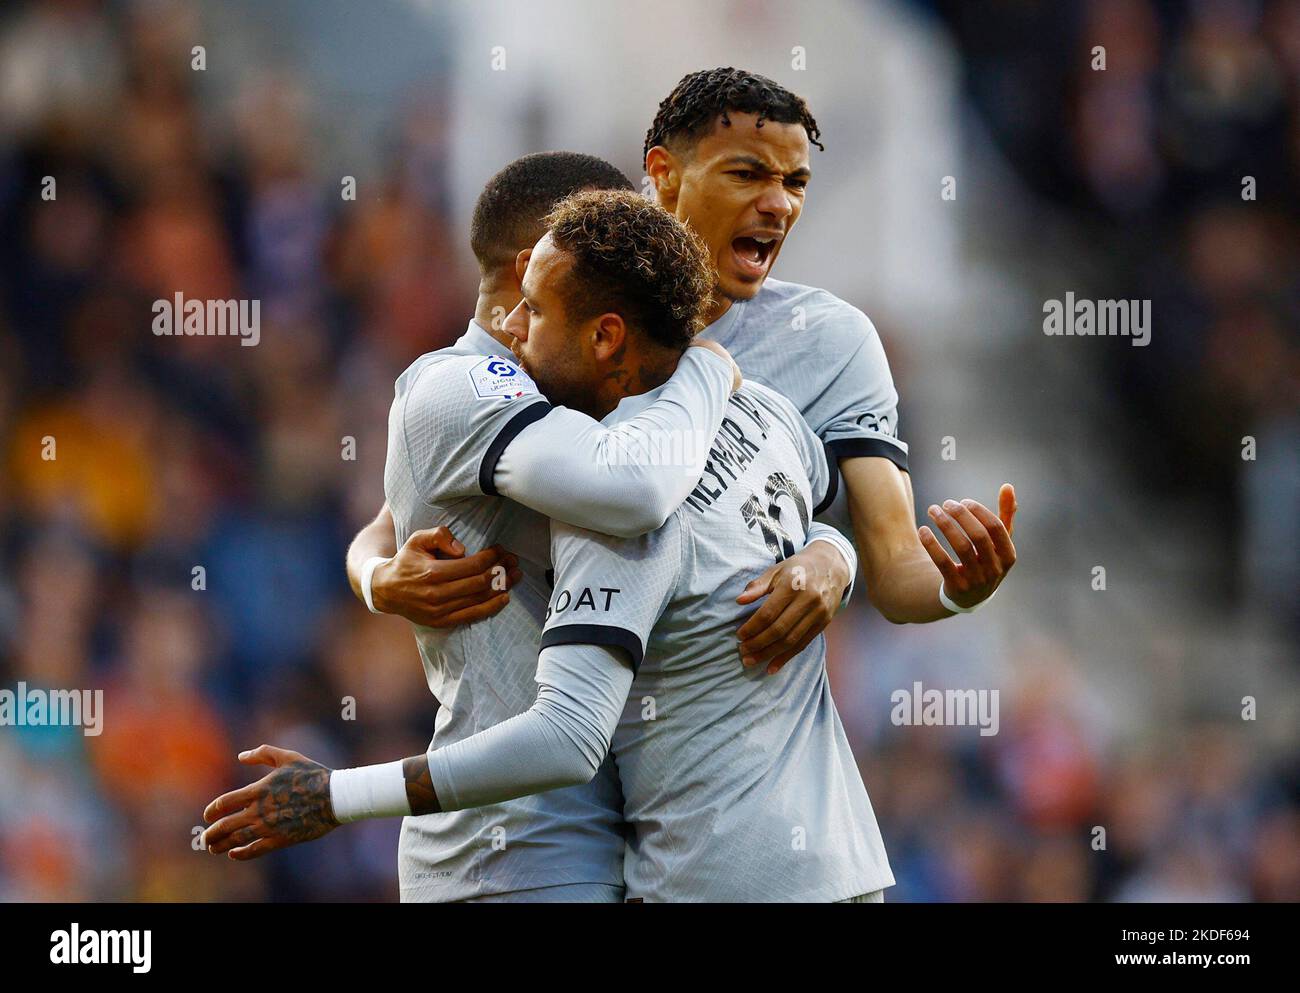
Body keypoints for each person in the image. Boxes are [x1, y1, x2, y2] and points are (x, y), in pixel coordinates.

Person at [203, 189, 893, 902]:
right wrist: (832, 555)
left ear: (604, 335)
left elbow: (566, 734)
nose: (514, 326)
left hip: (714, 878)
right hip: (841, 862)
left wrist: (338, 796)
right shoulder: (764, 413)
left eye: (536, 307)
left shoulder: (612, 510)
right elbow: (808, 504)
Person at [349, 67, 1018, 680]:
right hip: (575, 740)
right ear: (664, 174)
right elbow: (410, 497)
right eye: (746, 174)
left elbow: (896, 564)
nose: (777, 205)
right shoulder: (569, 313)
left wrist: (938, 583)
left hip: (722, 754)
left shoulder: (833, 344)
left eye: (794, 183)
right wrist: (378, 576)